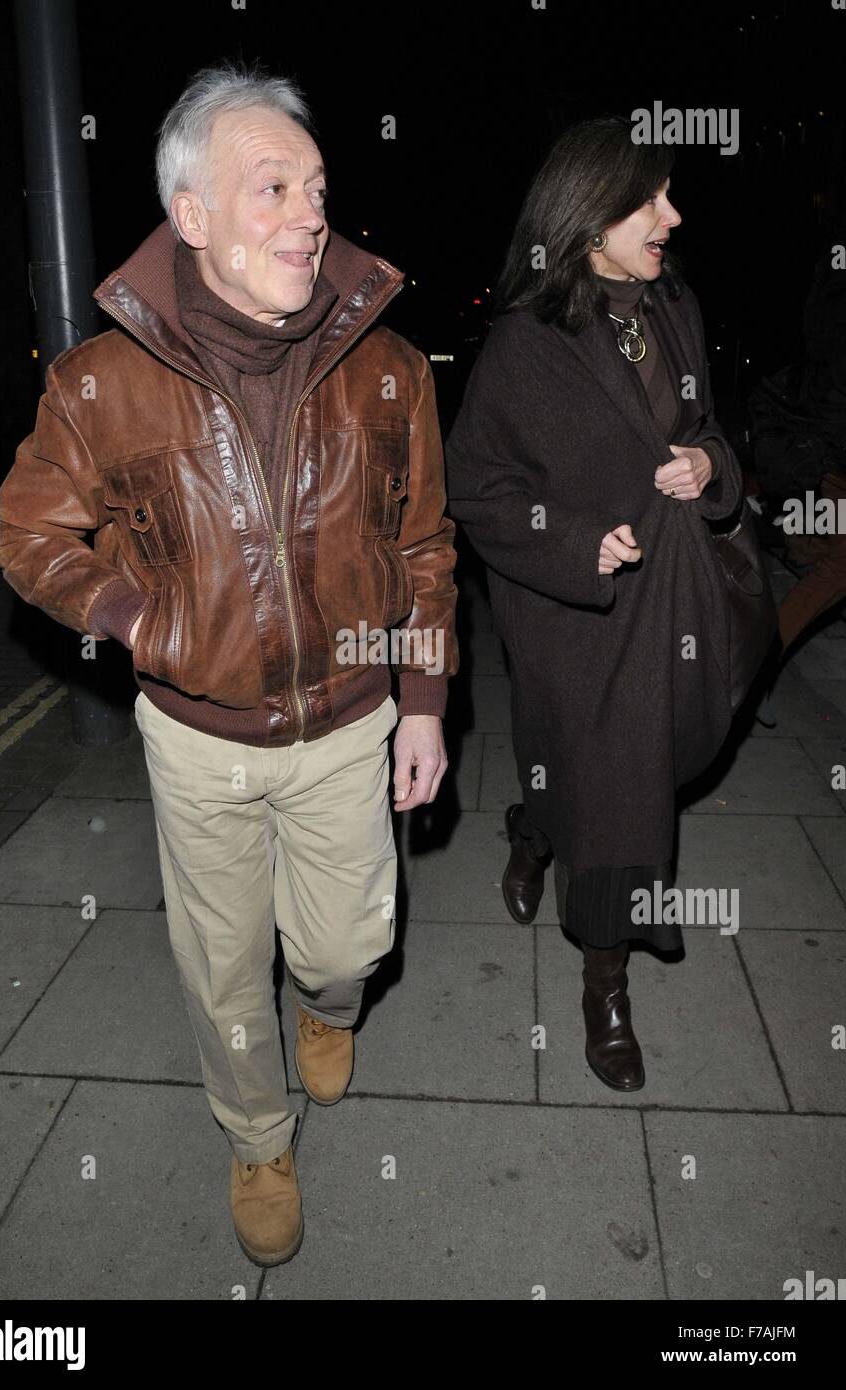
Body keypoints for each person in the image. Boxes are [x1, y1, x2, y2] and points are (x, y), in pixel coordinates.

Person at [0, 59, 458, 1266]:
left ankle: (331, 1007)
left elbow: (426, 548)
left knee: (347, 946)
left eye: (316, 186)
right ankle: (256, 1135)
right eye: (273, 188)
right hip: (197, 742)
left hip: (352, 720)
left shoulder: (391, 367)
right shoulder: (98, 384)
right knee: (222, 969)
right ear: (191, 218)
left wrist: (424, 701)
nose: (311, 213)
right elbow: (24, 534)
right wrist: (139, 620)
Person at [445, 115, 741, 1093]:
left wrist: (710, 462)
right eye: (650, 197)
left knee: (619, 776)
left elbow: (707, 429)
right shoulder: (525, 347)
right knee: (620, 807)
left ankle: (534, 827)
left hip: (675, 608)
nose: (673, 214)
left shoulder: (675, 308)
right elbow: (476, 486)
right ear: (587, 217)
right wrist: (572, 540)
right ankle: (605, 987)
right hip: (580, 621)